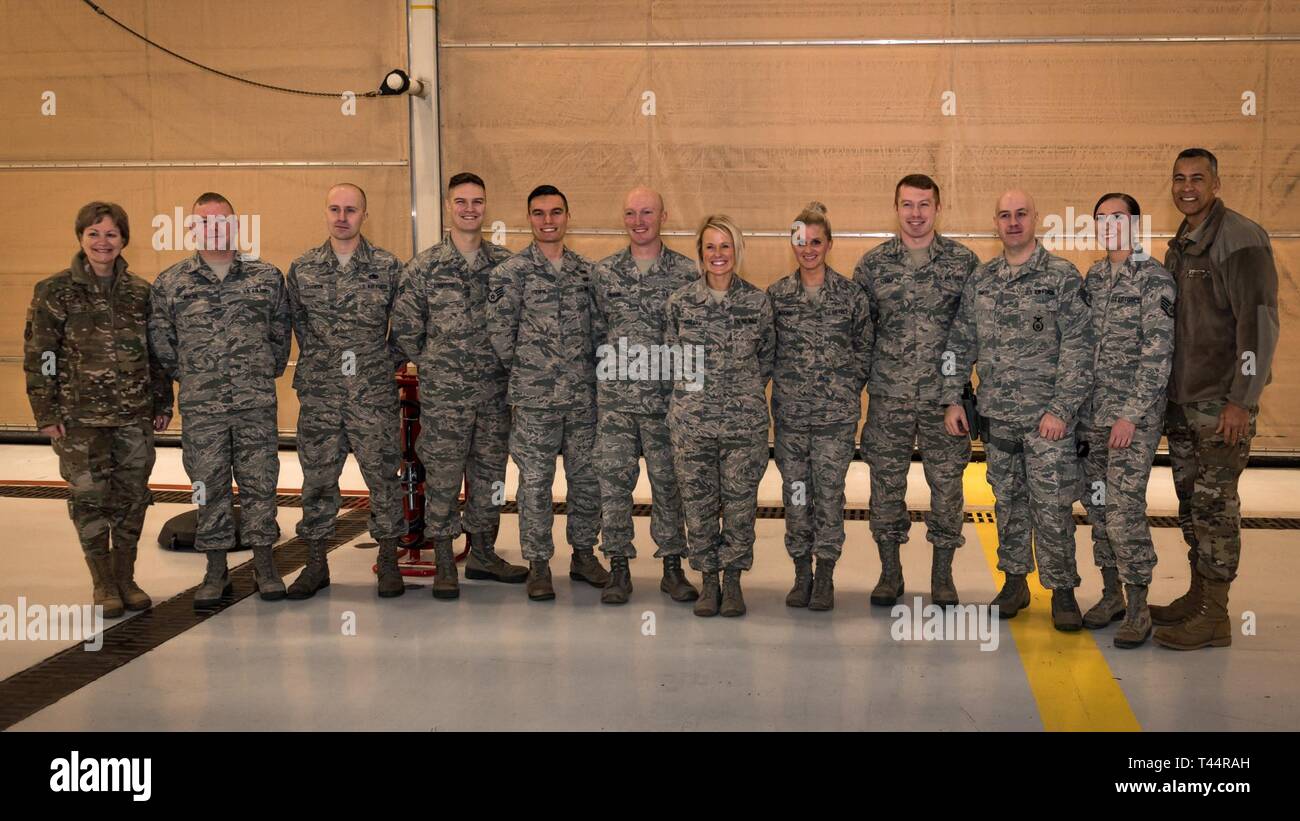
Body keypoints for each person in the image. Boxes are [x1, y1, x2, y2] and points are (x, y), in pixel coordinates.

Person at [942, 190, 1093, 631]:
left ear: (1035, 219)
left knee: (1052, 506)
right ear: (996, 222)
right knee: (1007, 504)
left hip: (1048, 422)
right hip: (998, 418)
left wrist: (1062, 410)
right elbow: (959, 341)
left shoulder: (1062, 277)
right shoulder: (982, 280)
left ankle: (1062, 590)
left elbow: (1079, 349)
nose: (1013, 222)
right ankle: (1014, 583)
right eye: (1005, 215)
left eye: (1021, 214)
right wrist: (953, 396)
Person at [1151, 148, 1280, 650]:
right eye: (1180, 179)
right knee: (1192, 505)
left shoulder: (1241, 239)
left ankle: (1217, 616)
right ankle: (1199, 596)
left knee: (1216, 509)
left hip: (1220, 406)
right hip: (1186, 401)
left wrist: (1241, 401)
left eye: (1198, 179)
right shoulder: (1184, 240)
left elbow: (1258, 324)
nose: (1187, 187)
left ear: (1217, 183)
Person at [24, 202, 172, 617]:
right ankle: (102, 582)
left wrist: (162, 402)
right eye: (94, 234)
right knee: (89, 500)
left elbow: (156, 354)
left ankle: (126, 576)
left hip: (133, 418)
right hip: (80, 420)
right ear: (80, 238)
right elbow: (41, 356)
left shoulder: (141, 292)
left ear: (124, 239)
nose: (102, 242)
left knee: (132, 499)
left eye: (111, 234)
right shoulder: (54, 291)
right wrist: (46, 412)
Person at [149, 192, 292, 610]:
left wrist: (260, 372)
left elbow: (280, 336)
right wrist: (195, 377)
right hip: (202, 409)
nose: (214, 228)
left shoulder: (266, 277)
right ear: (192, 227)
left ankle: (265, 565)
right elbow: (163, 344)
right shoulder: (172, 282)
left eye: (222, 220)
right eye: (205, 221)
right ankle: (215, 570)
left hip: (255, 404)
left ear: (236, 224)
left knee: (260, 484)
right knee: (207, 487)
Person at [392, 172, 529, 595]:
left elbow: (518, 327)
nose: (470, 209)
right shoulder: (425, 267)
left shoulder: (506, 266)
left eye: (477, 202)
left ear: (486, 207)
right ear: (449, 207)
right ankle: (447, 555)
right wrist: (438, 364)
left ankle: (484, 553)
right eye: (461, 202)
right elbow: (407, 330)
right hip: (445, 398)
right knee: (445, 476)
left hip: (493, 395)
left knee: (489, 475)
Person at [854, 175, 979, 607]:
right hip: (889, 397)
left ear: (938, 208)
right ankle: (890, 575)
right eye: (907, 205)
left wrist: (957, 395)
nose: (916, 214)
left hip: (944, 401)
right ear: (896, 207)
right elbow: (860, 333)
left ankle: (942, 578)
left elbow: (971, 334)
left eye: (924, 205)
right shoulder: (873, 266)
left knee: (947, 489)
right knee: (886, 487)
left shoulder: (963, 263)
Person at [485, 185, 608, 600]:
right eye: (539, 213)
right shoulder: (511, 273)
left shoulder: (587, 273)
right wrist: (531, 370)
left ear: (567, 216)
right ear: (529, 219)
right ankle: (538, 562)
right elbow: (500, 335)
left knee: (586, 478)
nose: (548, 220)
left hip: (581, 398)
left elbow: (599, 331)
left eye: (556, 212)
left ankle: (584, 554)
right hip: (535, 399)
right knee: (535, 482)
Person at [286, 183, 407, 599]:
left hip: (372, 395)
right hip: (320, 394)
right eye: (335, 209)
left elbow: (404, 329)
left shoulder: (389, 268)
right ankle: (315, 562)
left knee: (383, 478)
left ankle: (389, 561)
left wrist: (376, 363)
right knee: (317, 479)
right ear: (326, 212)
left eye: (351, 210)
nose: (342, 217)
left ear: (364, 215)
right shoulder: (303, 269)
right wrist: (326, 362)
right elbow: (300, 325)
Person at [590, 187, 699, 605]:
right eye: (631, 213)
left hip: (665, 405)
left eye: (647, 212)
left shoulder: (687, 273)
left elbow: (693, 341)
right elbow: (596, 333)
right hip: (616, 404)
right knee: (613, 487)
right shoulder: (605, 273)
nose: (639, 220)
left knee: (668, 486)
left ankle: (673, 568)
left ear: (664, 216)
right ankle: (618, 568)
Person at [1077, 193, 1175, 648]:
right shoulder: (1095, 277)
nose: (1109, 224)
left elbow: (1158, 356)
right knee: (1098, 506)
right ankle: (1111, 593)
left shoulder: (1154, 279)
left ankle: (1139, 605)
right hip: (1093, 416)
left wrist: (1131, 416)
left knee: (1123, 510)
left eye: (1118, 216)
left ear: (1135, 222)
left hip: (1130, 420)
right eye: (1101, 218)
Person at [664, 214, 775, 617]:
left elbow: (767, 359)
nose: (718, 254)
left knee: (741, 506)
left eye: (725, 246)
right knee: (698, 506)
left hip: (742, 426)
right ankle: (708, 581)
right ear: (700, 253)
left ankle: (732, 582)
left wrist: (738, 392)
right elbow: (672, 357)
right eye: (710, 247)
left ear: (737, 251)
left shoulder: (757, 302)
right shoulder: (680, 303)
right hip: (692, 424)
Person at [768, 202, 871, 611]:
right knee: (795, 495)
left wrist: (845, 390)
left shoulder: (850, 296)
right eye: (800, 241)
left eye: (815, 241)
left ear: (829, 244)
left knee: (829, 495)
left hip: (834, 421)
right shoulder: (776, 296)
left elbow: (865, 350)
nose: (807, 249)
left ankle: (825, 574)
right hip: (791, 419)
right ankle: (801, 574)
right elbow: (764, 350)